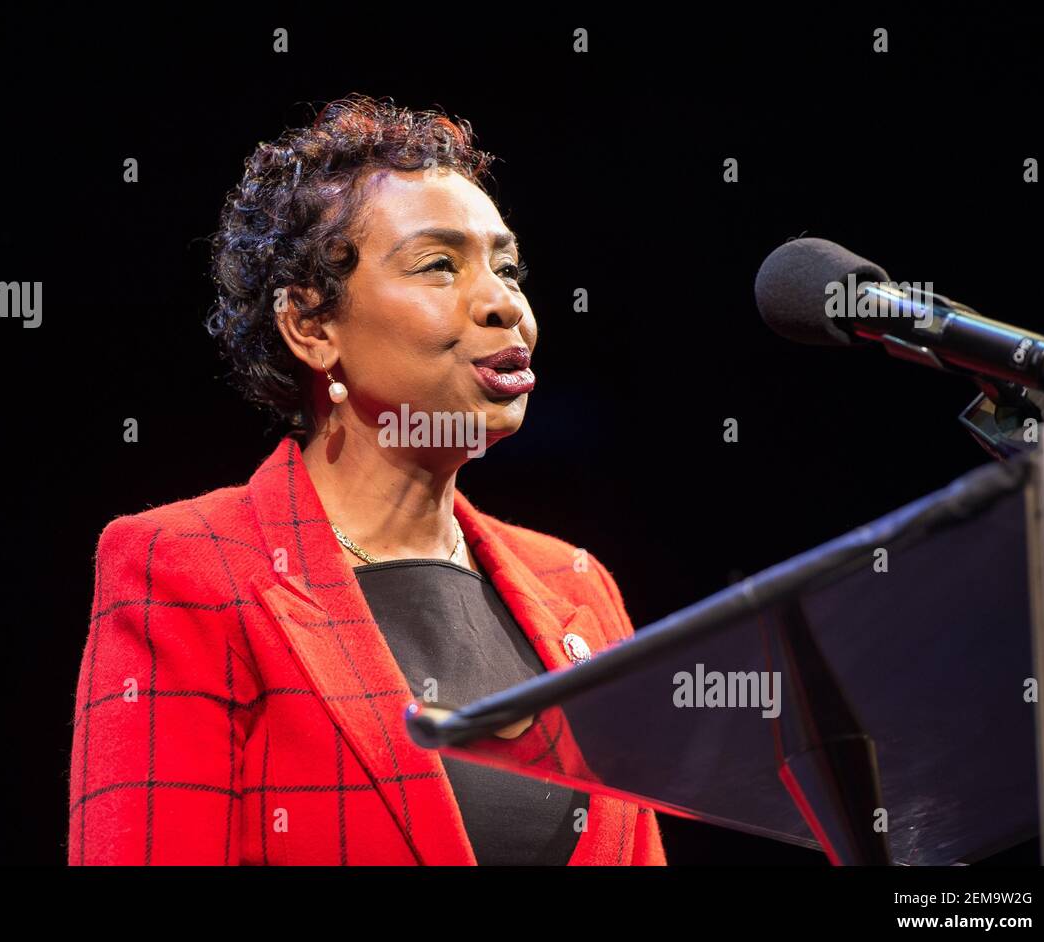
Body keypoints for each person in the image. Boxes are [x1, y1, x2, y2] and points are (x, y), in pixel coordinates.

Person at [67, 93, 667, 865]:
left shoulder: (579, 587)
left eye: (509, 268)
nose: (504, 304)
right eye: (439, 265)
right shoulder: (186, 569)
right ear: (313, 327)